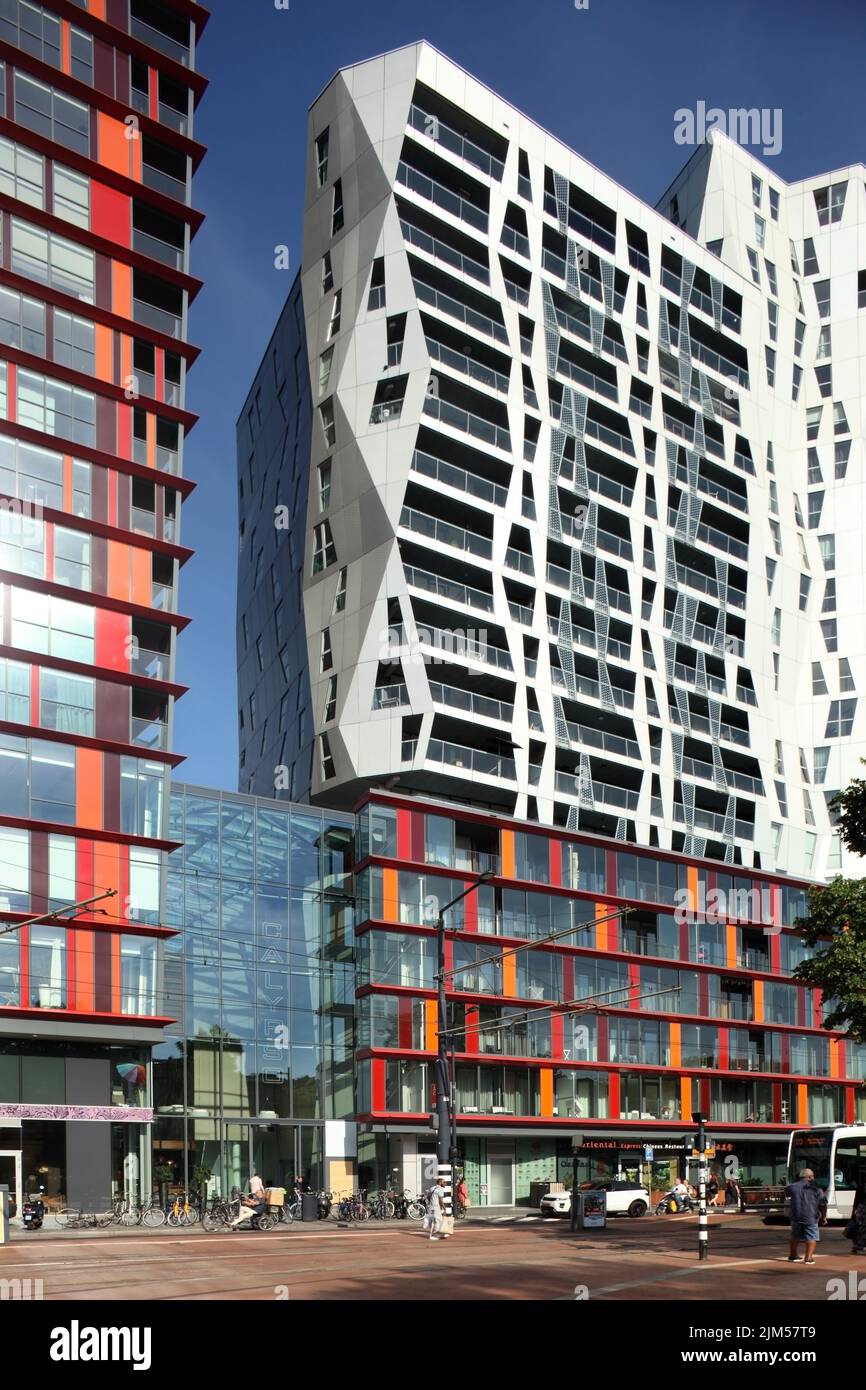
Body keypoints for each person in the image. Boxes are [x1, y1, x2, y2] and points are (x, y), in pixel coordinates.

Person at [785, 1167, 827, 1264]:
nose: (813, 1178)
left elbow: (787, 1194)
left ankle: (793, 1255)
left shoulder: (792, 1186)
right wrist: (824, 1216)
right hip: (811, 1216)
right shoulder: (816, 1188)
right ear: (809, 1177)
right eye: (812, 1176)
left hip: (796, 1215)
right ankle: (808, 1258)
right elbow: (823, 1204)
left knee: (795, 1236)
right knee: (811, 1237)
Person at [848, 1183, 866, 1255]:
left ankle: (857, 1247)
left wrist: (853, 1211)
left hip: (861, 1209)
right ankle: (857, 1246)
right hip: (862, 1210)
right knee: (859, 1228)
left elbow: (856, 1200)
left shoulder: (861, 1187)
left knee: (859, 1228)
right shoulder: (861, 1187)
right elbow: (856, 1200)